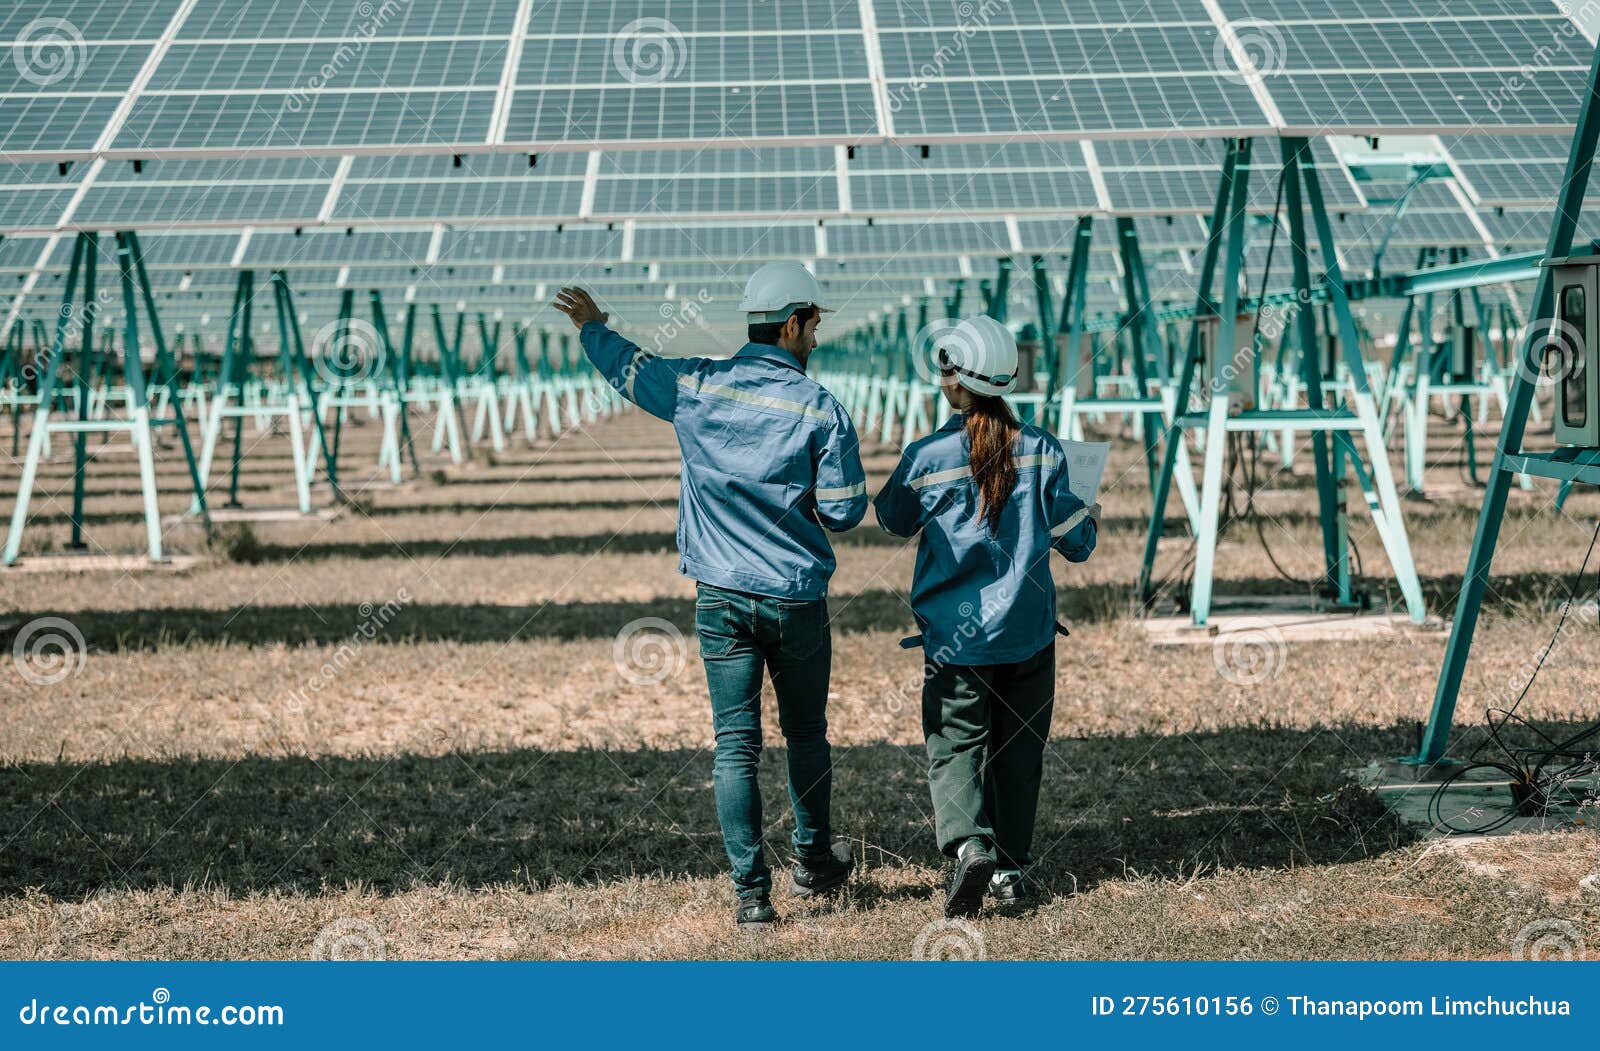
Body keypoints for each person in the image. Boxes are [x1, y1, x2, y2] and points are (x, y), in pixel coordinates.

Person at [553, 263, 867, 930]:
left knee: (734, 745)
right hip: (796, 598)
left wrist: (592, 327)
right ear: (791, 324)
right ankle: (813, 861)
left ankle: (751, 894)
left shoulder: (697, 383)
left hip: (721, 596)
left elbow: (632, 369)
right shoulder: (821, 408)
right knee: (806, 732)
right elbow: (842, 512)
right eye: (813, 324)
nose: (815, 337)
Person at [873, 315, 1099, 918]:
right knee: (1019, 753)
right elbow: (1080, 544)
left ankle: (971, 842)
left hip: (955, 640)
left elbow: (892, 518)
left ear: (952, 379)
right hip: (1028, 633)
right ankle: (1009, 874)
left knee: (956, 747)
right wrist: (1084, 507)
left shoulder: (928, 455)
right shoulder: (1047, 450)